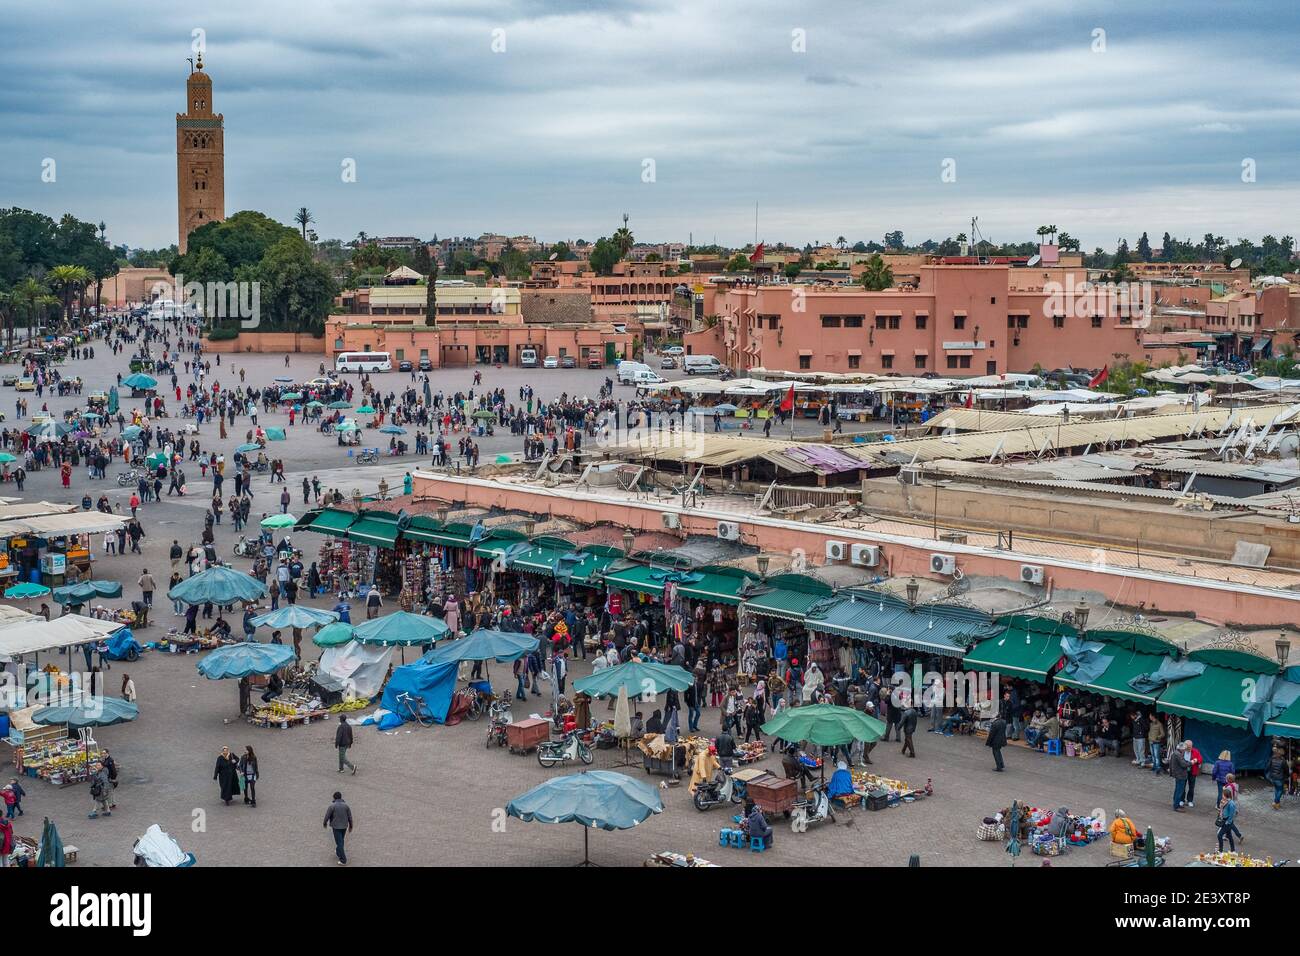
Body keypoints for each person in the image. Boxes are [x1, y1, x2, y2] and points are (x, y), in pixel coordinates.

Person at [324, 791, 353, 865]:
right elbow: (350, 817)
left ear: (334, 797)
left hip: (336, 827)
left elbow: (327, 815)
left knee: (339, 842)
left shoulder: (332, 806)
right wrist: (351, 826)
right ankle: (338, 851)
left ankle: (343, 860)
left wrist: (325, 823)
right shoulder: (346, 806)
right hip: (344, 826)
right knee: (341, 840)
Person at [1170, 741, 1190, 811]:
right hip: (1180, 775)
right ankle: (1176, 806)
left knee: (1177, 790)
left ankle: (1176, 804)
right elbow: (1183, 764)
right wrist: (1191, 762)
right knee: (1179, 791)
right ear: (1182, 749)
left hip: (1177, 774)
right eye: (1184, 749)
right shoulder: (1178, 755)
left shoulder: (1175, 753)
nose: (1185, 751)